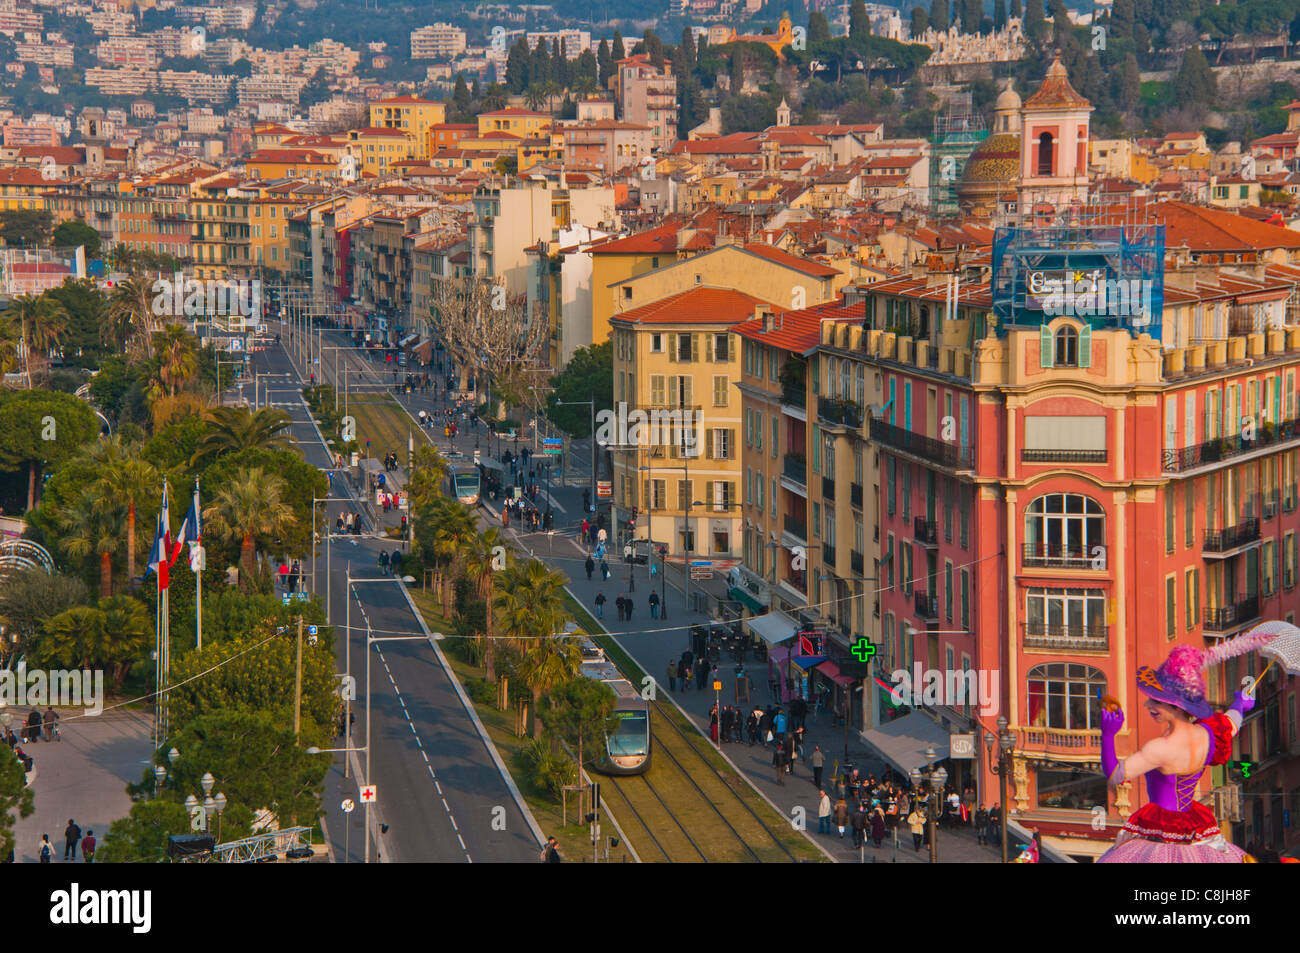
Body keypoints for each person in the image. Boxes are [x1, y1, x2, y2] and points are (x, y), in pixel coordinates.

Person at [1097, 632, 1273, 863]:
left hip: (1159, 838)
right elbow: (1232, 722)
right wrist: (1240, 703)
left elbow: (1114, 775)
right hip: (1195, 831)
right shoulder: (1208, 733)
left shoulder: (1159, 749)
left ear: (1178, 706)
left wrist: (1108, 735)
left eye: (1157, 701)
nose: (1148, 704)